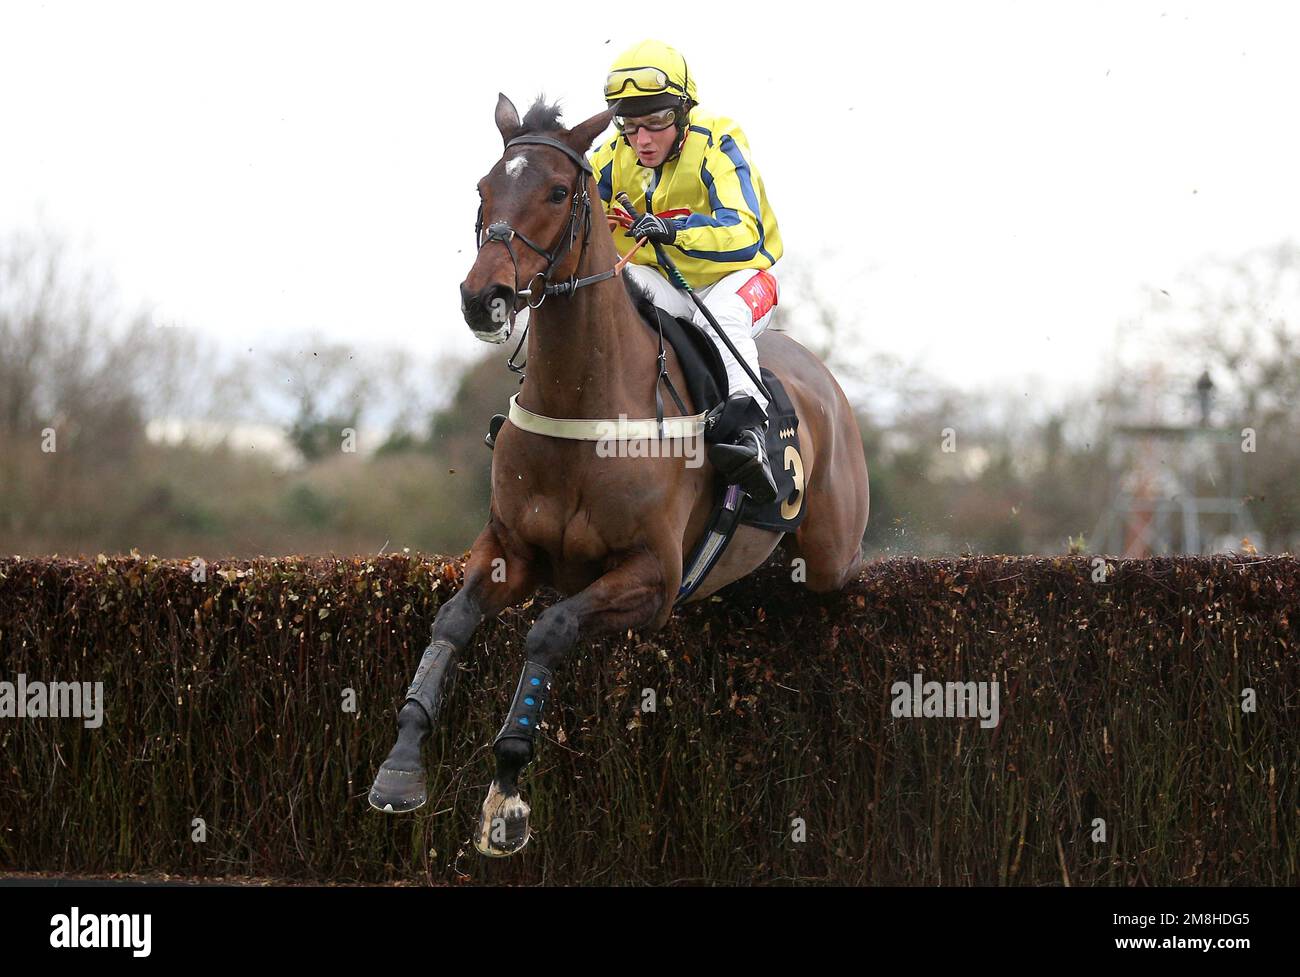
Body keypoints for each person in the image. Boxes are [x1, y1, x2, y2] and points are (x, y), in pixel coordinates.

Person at [589, 39, 783, 504]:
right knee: (609, 297)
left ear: (683, 111)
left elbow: (745, 232)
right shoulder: (610, 158)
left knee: (721, 316)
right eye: (630, 125)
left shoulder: (718, 140)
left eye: (656, 122)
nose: (643, 140)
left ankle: (751, 434)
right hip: (667, 282)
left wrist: (675, 231)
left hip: (739, 277)